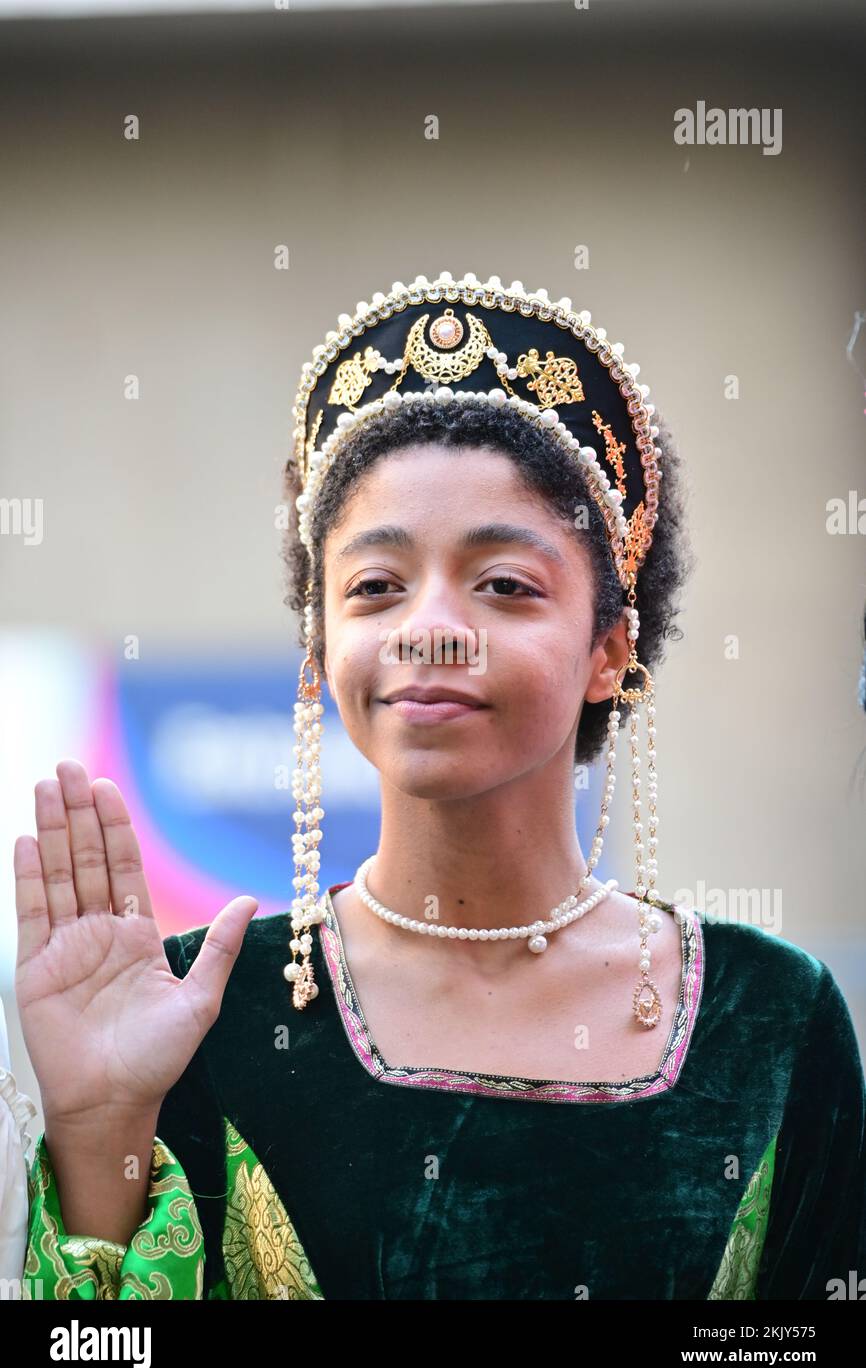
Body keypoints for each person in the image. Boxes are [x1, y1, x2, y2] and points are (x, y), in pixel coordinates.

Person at [14, 271, 866, 1300]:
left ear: (607, 647)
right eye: (375, 586)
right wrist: (101, 1134)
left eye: (503, 584)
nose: (428, 625)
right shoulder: (192, 1014)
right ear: (319, 644)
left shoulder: (766, 1019)